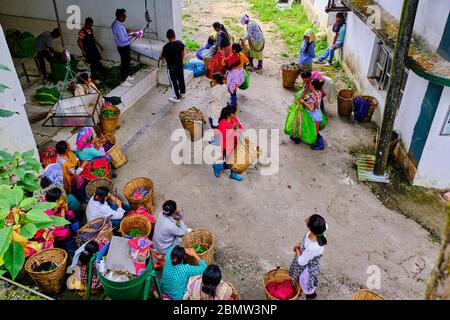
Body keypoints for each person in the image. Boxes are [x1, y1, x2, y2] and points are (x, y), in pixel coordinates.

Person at [288, 214, 328, 300]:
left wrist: (297, 250)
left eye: (307, 220)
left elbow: (301, 262)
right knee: (301, 281)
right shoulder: (321, 228)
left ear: (311, 228)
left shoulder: (313, 248)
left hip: (307, 267)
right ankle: (301, 289)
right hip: (306, 257)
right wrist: (300, 244)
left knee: (306, 285)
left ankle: (311, 296)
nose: (306, 219)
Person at [212, 105, 245, 181]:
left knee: (235, 160)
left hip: (235, 143)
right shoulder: (222, 124)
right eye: (234, 113)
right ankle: (217, 166)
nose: (235, 115)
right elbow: (225, 138)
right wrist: (233, 130)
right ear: (229, 114)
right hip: (226, 147)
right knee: (229, 164)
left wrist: (240, 129)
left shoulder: (233, 118)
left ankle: (233, 174)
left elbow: (240, 127)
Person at [43, 187, 79, 256]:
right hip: (53, 230)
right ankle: (72, 251)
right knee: (66, 233)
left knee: (71, 214)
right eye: (60, 198)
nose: (62, 199)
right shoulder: (48, 212)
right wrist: (62, 209)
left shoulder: (49, 201)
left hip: (58, 218)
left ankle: (77, 234)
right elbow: (61, 226)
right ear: (56, 200)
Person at [111, 8, 139, 87]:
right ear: (121, 17)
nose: (126, 18)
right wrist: (132, 35)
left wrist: (126, 31)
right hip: (123, 47)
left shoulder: (118, 23)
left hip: (125, 46)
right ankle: (123, 80)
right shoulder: (117, 26)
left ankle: (126, 76)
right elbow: (123, 39)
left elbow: (122, 34)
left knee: (127, 61)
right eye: (125, 16)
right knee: (124, 63)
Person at [297, 79, 325, 151]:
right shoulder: (318, 92)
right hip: (318, 114)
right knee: (313, 130)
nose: (309, 85)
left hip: (314, 117)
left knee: (316, 132)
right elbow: (315, 101)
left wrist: (303, 102)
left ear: (313, 86)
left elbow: (311, 108)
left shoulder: (312, 96)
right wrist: (307, 98)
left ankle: (320, 145)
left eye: (311, 84)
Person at [161, 29, 186, 103]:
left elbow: (164, 58)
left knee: (174, 82)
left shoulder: (166, 47)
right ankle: (183, 93)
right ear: (175, 35)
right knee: (181, 78)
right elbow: (183, 53)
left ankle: (177, 97)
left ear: (167, 37)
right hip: (179, 65)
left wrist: (162, 58)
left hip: (171, 67)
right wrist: (180, 60)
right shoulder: (180, 43)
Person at [223, 43, 249, 107]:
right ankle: (233, 99)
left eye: (232, 49)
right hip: (240, 73)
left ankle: (233, 103)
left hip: (233, 74)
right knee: (235, 86)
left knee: (232, 88)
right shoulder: (242, 55)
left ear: (234, 50)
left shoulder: (230, 57)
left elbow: (225, 65)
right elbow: (246, 62)